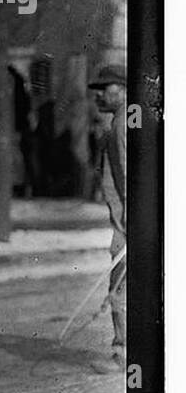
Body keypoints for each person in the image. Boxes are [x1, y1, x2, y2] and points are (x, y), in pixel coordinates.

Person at [89, 63, 127, 367]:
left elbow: (131, 176)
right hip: (128, 219)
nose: (99, 94)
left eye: (106, 88)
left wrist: (134, 220)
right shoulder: (124, 120)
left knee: (120, 289)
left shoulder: (123, 125)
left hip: (130, 222)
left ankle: (123, 353)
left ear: (124, 89)